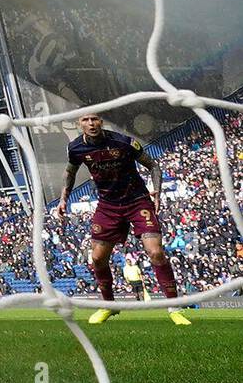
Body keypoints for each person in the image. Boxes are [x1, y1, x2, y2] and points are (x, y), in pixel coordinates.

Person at [59, 112, 190, 325]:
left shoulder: (124, 142)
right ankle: (109, 305)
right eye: (86, 120)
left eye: (95, 119)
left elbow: (153, 166)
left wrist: (156, 191)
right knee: (98, 258)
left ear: (101, 122)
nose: (91, 123)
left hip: (137, 201)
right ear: (79, 123)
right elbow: (70, 172)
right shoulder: (75, 148)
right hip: (108, 206)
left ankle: (174, 308)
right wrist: (63, 198)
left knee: (156, 252)